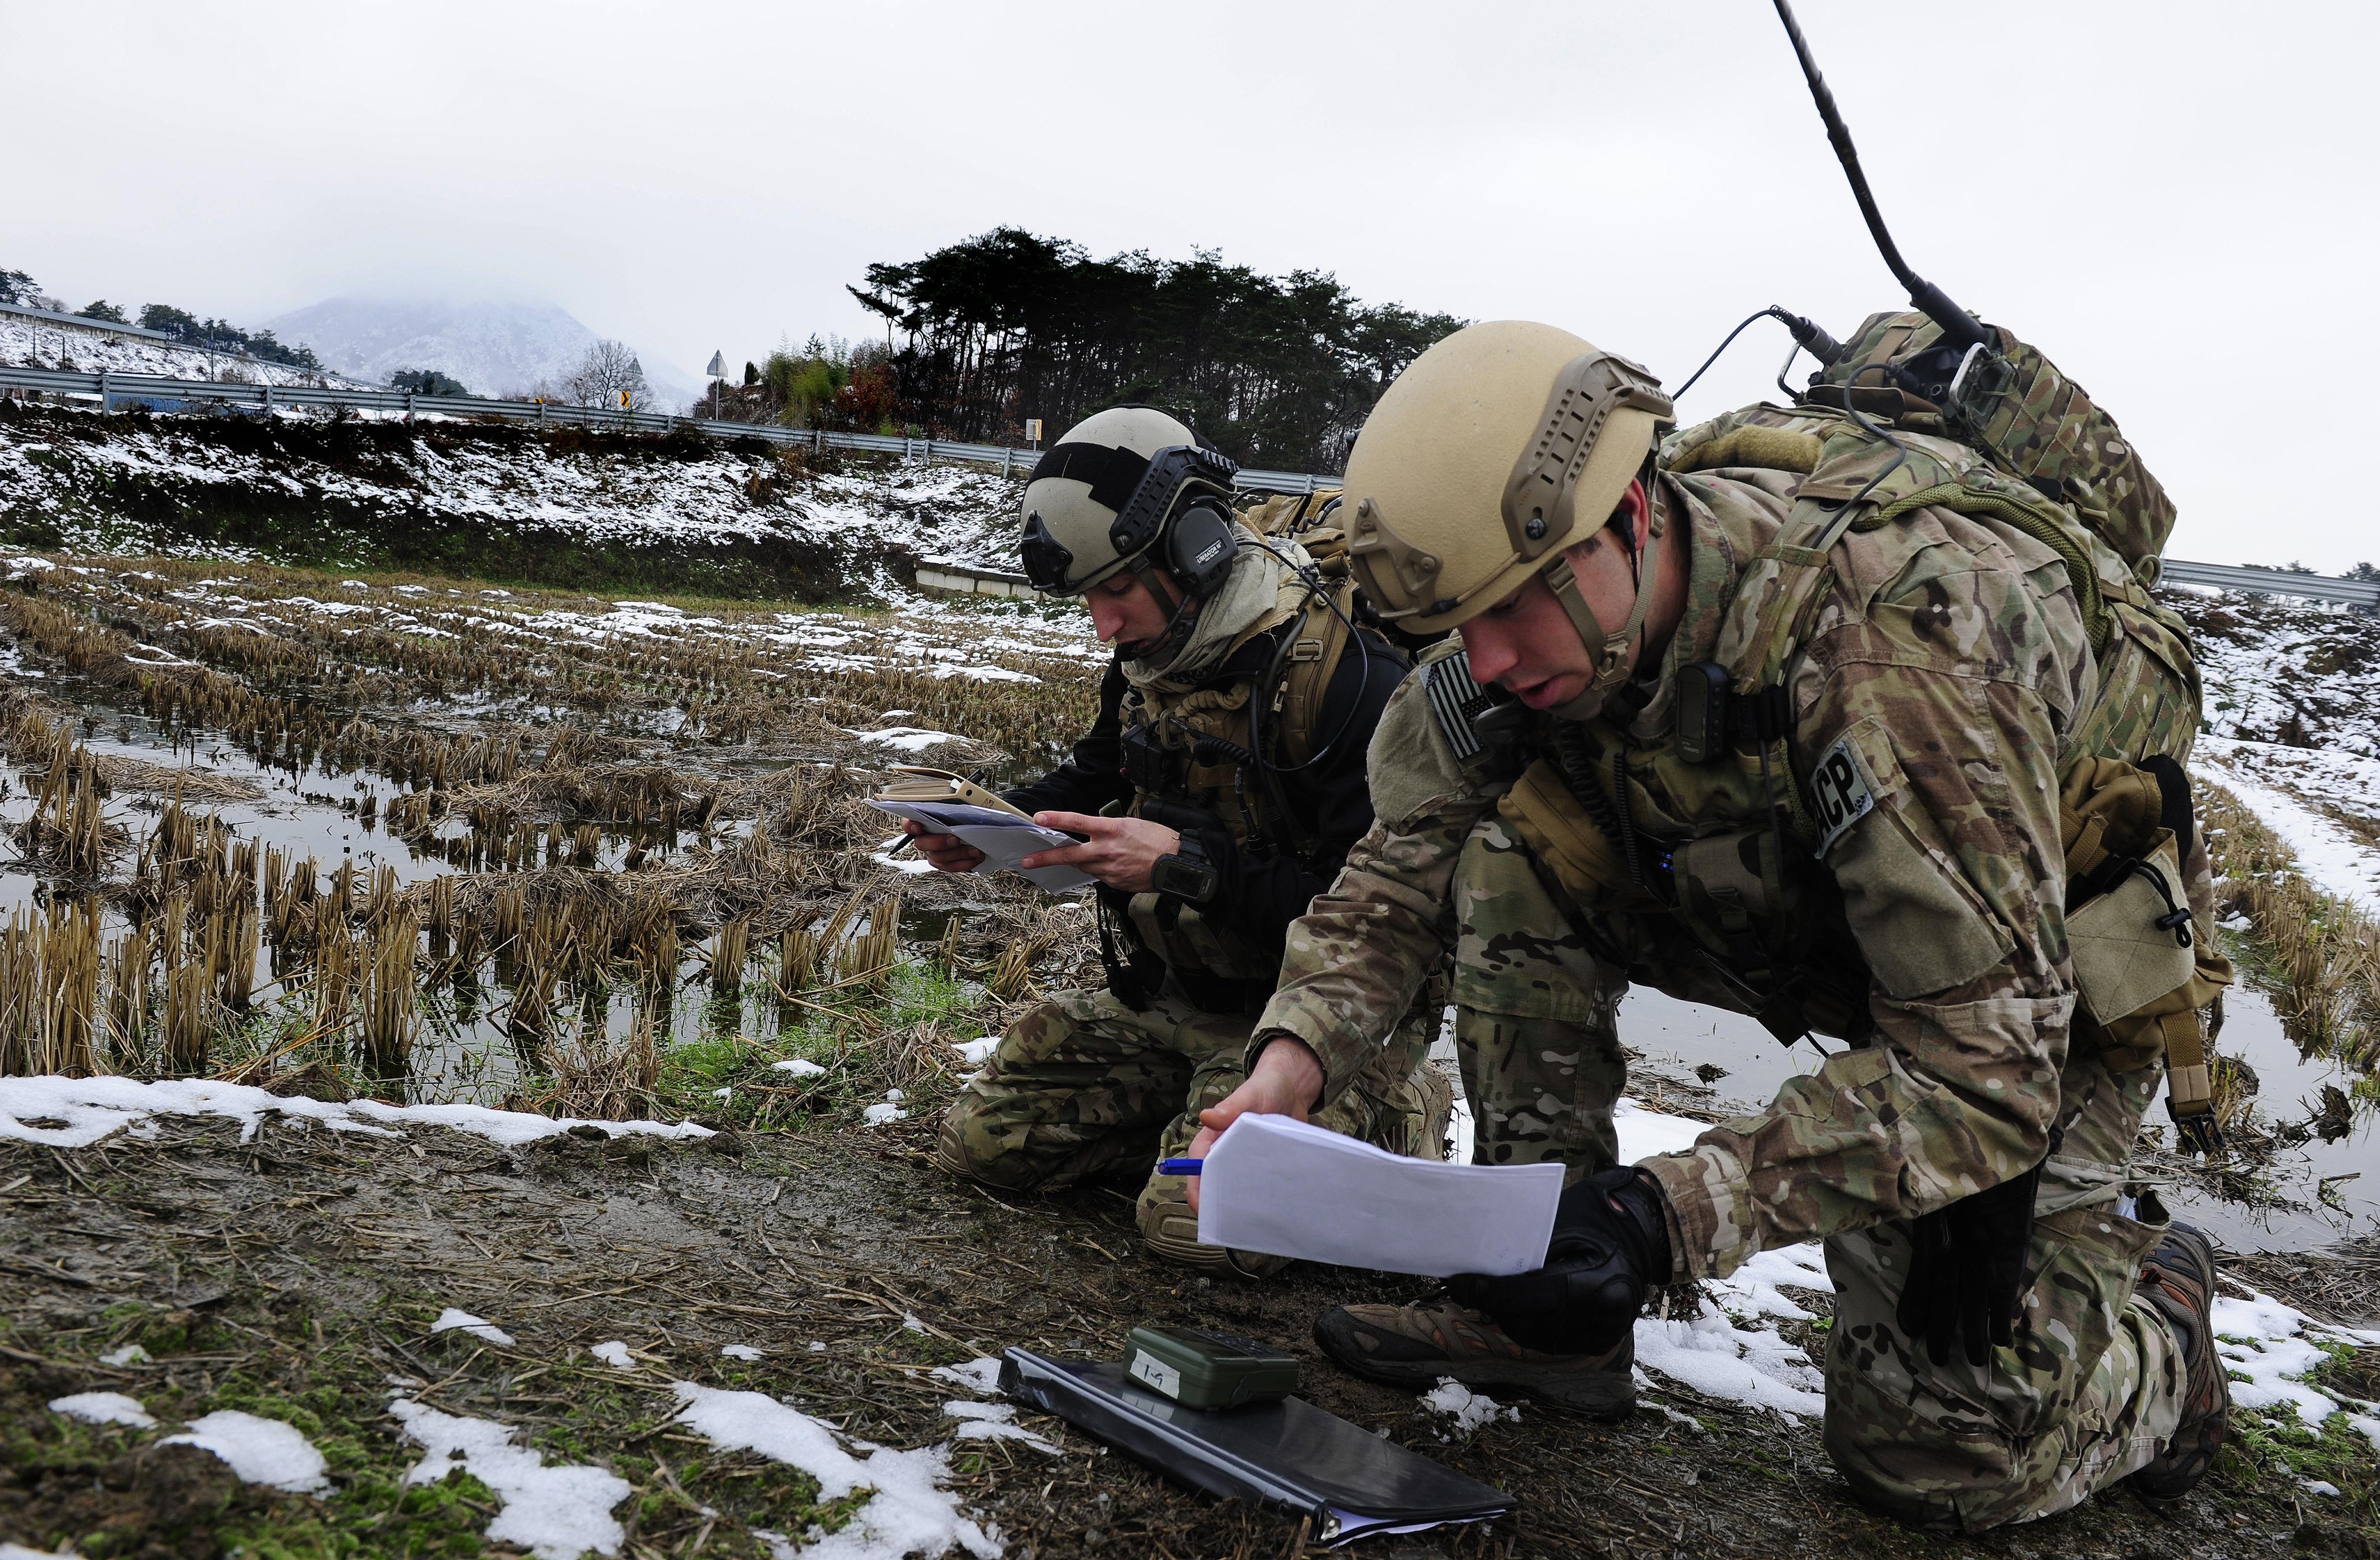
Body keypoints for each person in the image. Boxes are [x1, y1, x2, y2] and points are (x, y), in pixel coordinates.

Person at [1188, 318, 2234, 1528]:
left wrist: (1662, 1216)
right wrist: (1292, 1058)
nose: (1488, 659)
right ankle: (1541, 1296)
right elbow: (1395, 877)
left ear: (1633, 516)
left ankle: (2167, 1335)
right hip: (1806, 912)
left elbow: (1985, 1071)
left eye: (1515, 609)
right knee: (1504, 848)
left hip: (2020, 997)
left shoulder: (1896, 657)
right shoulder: (1506, 652)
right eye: (1457, 627)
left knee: (1940, 1452)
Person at [917, 405, 1451, 1274]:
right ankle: (1196, 1112)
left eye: (1115, 592)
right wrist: (990, 824)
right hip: (1183, 1002)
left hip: (1312, 1030)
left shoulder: (1351, 680)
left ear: (1195, 549)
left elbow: (1382, 925)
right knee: (983, 1146)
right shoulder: (1151, 655)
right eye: (1088, 599)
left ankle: (1399, 1111)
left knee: (1190, 1230)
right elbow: (1092, 776)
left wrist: (1182, 867)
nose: (1103, 626)